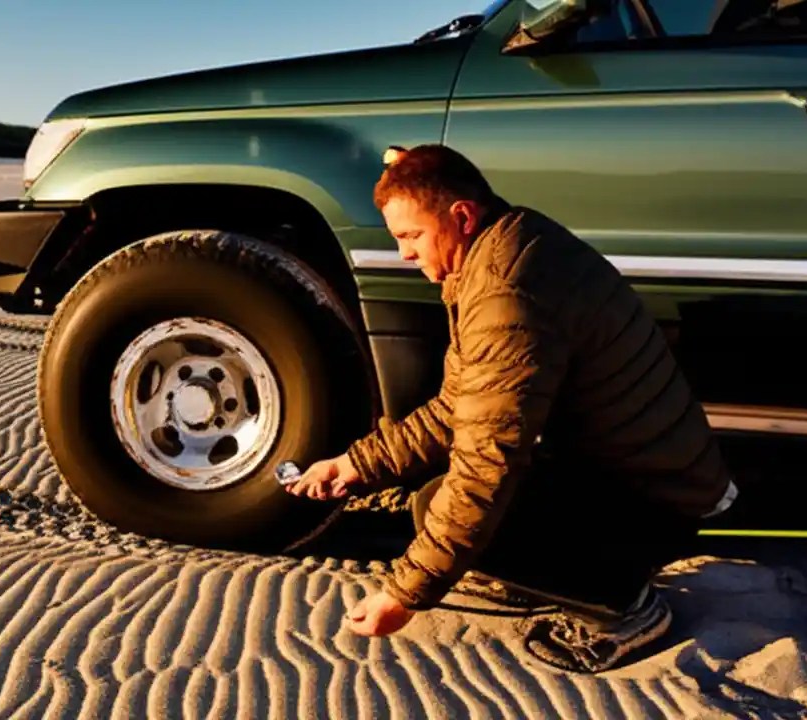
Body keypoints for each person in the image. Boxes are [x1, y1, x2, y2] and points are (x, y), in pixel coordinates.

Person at [283, 144, 738, 674]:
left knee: (450, 508)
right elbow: (459, 407)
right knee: (441, 505)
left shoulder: (507, 294)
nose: (404, 254)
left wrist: (404, 595)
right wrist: (357, 465)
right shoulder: (506, 246)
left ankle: (627, 608)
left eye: (410, 236)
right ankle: (552, 576)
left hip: (659, 504)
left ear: (461, 215)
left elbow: (485, 466)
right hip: (633, 475)